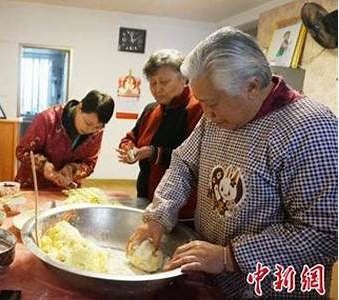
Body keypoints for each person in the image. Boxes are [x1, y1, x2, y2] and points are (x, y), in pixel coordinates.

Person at [127, 27, 337, 298]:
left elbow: (326, 233)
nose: (206, 113)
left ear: (251, 86)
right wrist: (158, 217)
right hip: (214, 280)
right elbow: (182, 164)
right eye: (201, 102)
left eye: (211, 102)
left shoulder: (310, 128)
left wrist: (230, 257)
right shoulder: (214, 118)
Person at [117, 49, 202, 220]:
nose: (158, 89)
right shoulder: (151, 109)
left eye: (164, 82)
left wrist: (153, 152)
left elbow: (196, 160)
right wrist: (129, 149)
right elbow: (130, 138)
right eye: (153, 83)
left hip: (181, 209)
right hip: (146, 197)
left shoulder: (198, 109)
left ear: (184, 79)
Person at [15, 90, 115, 190]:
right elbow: (22, 151)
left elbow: (90, 163)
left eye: (97, 127)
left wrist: (73, 169)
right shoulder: (48, 119)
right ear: (80, 107)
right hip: (33, 188)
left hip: (64, 190)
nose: (90, 130)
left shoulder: (96, 132)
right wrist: (43, 165)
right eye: (88, 123)